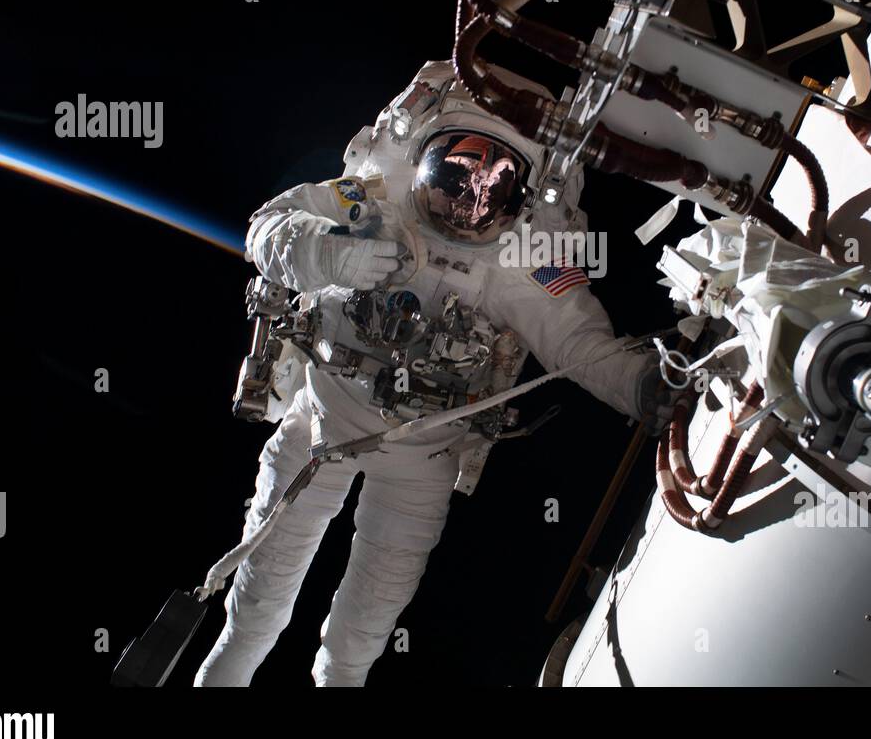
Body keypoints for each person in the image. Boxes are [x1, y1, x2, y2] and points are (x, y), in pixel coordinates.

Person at [195, 60, 669, 686]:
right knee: (257, 601)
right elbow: (269, 227)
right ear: (421, 156)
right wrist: (331, 253)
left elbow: (581, 345)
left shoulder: (520, 264)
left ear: (524, 198)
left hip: (423, 460)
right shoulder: (371, 199)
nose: (471, 195)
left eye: (496, 185)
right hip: (322, 423)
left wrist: (648, 389)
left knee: (360, 635)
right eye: (457, 170)